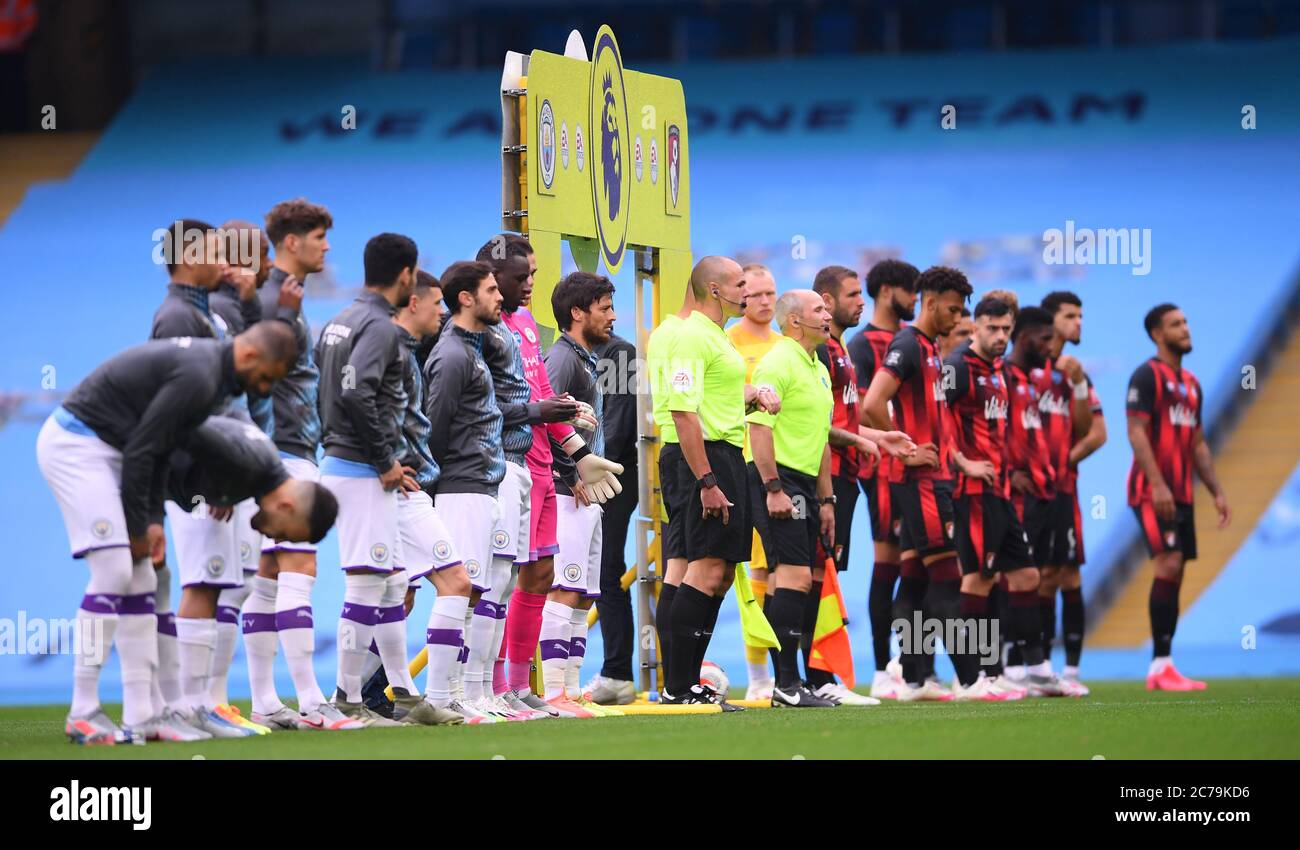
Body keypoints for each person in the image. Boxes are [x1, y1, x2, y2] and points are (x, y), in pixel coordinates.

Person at [37, 323, 296, 744]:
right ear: (249, 355)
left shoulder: (213, 377)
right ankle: (82, 710)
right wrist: (141, 527)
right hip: (77, 445)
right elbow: (144, 448)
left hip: (114, 451)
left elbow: (157, 446)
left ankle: (144, 714)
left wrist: (153, 521)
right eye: (266, 377)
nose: (264, 390)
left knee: (143, 577)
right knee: (114, 572)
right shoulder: (202, 376)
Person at [476, 235, 621, 719]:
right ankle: (487, 687)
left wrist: (578, 452)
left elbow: (544, 398)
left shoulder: (528, 330)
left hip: (541, 469)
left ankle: (518, 686)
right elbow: (512, 403)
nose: (531, 284)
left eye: (534, 274)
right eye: (524, 275)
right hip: (508, 467)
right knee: (496, 579)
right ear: (491, 279)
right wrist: (570, 463)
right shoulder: (487, 333)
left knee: (538, 575)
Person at [150, 219, 266, 739]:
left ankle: (200, 705)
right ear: (189, 253)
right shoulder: (177, 314)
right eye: (217, 249)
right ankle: (186, 706)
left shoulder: (205, 311)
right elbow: (182, 406)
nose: (225, 258)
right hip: (191, 474)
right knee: (201, 581)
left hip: (214, 466)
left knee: (216, 583)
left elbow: (230, 393)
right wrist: (214, 475)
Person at [245, 198, 352, 731]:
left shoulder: (285, 298)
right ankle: (312, 701)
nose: (327, 247)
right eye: (318, 237)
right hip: (282, 449)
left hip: (289, 447)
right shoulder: (273, 301)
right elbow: (251, 379)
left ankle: (266, 701)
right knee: (299, 564)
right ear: (291, 242)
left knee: (269, 571)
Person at [315, 232, 423, 728]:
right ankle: (348, 699)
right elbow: (357, 395)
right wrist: (383, 461)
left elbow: (329, 393)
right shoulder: (380, 327)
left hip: (343, 462)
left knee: (392, 580)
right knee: (367, 584)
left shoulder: (338, 320)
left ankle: (403, 694)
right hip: (361, 471)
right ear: (405, 275)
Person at [660, 256, 777, 706]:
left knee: (721, 573)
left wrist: (752, 398)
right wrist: (706, 479)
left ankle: (688, 684)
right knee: (702, 570)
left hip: (726, 454)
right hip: (702, 460)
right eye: (740, 284)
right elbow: (683, 412)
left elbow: (713, 400)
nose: (747, 292)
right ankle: (677, 686)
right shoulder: (691, 336)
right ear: (714, 289)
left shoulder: (716, 336)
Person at [944, 297, 1073, 699]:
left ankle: (1032, 669)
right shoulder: (959, 366)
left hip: (998, 490)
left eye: (1005, 329)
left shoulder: (999, 370)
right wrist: (963, 463)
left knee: (1026, 576)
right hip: (972, 492)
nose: (1000, 336)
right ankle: (971, 678)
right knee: (979, 579)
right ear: (976, 326)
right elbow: (938, 419)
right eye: (992, 328)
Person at [861, 266, 971, 701]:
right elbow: (872, 403)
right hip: (918, 480)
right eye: (952, 308)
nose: (956, 317)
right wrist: (904, 449)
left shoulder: (929, 346)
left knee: (915, 577)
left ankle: (913, 677)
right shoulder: (908, 344)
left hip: (932, 478)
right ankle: (973, 676)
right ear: (930, 301)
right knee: (946, 574)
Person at [811, 265, 914, 705]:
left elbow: (846, 420)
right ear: (827, 302)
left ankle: (818, 678)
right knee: (817, 575)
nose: (861, 301)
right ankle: (813, 680)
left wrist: (880, 438)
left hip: (847, 474)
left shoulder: (839, 350)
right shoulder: (821, 352)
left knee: (826, 574)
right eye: (853, 295)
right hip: (827, 475)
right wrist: (861, 440)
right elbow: (819, 424)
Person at [423, 260, 510, 724]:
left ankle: (459, 695)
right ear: (466, 298)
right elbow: (433, 429)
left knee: (472, 594)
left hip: (480, 484)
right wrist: (433, 486)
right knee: (459, 591)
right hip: (460, 486)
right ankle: (441, 695)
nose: (500, 297)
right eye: (492, 289)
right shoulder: (453, 354)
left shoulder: (473, 349)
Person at [385, 270, 472, 726]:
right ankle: (432, 697)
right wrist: (385, 463)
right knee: (453, 583)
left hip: (407, 484)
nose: (443, 312)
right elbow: (352, 407)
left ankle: (392, 696)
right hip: (401, 486)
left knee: (390, 595)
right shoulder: (384, 347)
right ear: (412, 301)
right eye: (437, 303)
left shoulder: (408, 349)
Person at [1127, 304, 1229, 691]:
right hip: (1151, 490)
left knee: (1177, 568)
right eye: (1176, 324)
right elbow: (1136, 431)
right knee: (1167, 563)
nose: (1185, 329)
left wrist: (1216, 491)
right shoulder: (1146, 376)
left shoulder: (1191, 383)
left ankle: (1164, 664)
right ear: (1157, 333)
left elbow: (1198, 442)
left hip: (1182, 491)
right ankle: (1159, 666)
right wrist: (1157, 484)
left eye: (1186, 322)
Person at [747, 290, 839, 708]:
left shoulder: (819, 367)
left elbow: (821, 439)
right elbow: (759, 428)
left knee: (792, 578)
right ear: (796, 321)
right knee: (793, 576)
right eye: (819, 309)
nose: (828, 313)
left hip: (804, 482)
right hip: (777, 476)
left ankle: (790, 684)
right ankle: (786, 685)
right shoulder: (779, 360)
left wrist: (827, 501)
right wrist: (773, 488)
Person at [541, 271, 622, 717]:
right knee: (564, 590)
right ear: (577, 313)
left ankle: (571, 690)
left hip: (585, 494)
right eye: (604, 308)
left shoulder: (585, 358)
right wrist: (571, 473)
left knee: (583, 593)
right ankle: (555, 693)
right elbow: (544, 422)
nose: (613, 316)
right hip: (564, 492)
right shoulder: (561, 359)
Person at [1002, 308, 1084, 696]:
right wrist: (1007, 472)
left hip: (1044, 490)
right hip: (1014, 495)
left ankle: (1033, 666)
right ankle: (1007, 665)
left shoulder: (1031, 380)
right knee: (1010, 577)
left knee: (1038, 577)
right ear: (1025, 338)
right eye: (1045, 338)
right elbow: (986, 429)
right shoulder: (1002, 375)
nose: (1051, 346)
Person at [847, 259, 919, 699]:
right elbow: (856, 407)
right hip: (884, 470)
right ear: (889, 290)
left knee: (920, 566)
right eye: (911, 291)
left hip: (920, 471)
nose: (916, 301)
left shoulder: (913, 342)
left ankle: (909, 664)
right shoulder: (863, 345)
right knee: (890, 563)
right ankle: (880, 667)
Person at [1037, 291, 1106, 693]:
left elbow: (1092, 432)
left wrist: (1078, 385)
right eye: (1070, 315)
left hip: (1063, 489)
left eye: (1081, 315)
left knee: (1068, 572)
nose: (1078, 322)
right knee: (1038, 576)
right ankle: (1035, 664)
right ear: (1050, 321)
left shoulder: (1076, 373)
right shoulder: (1026, 368)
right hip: (1028, 489)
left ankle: (1074, 670)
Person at [726, 264, 781, 699]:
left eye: (771, 294)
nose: (765, 301)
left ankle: (788, 672)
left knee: (792, 571)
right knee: (757, 570)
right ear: (741, 297)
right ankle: (759, 676)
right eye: (756, 293)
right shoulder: (727, 343)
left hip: (787, 466)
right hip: (744, 466)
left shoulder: (786, 346)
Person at [585, 329, 639, 705]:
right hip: (580, 474)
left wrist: (581, 467)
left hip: (609, 478)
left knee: (605, 572)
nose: (612, 315)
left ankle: (617, 673)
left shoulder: (618, 352)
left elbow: (618, 429)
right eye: (604, 307)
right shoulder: (567, 350)